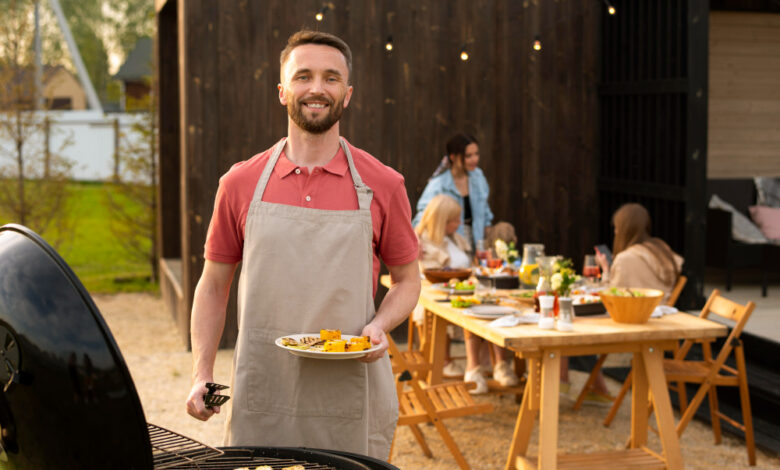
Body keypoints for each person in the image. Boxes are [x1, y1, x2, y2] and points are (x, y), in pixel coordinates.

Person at [185, 30, 421, 460]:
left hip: (351, 394)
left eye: (331, 78)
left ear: (347, 95)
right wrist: (202, 371)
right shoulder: (239, 183)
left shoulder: (384, 184)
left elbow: (407, 280)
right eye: (303, 76)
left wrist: (380, 326)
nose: (317, 88)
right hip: (264, 390)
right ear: (282, 91)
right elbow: (213, 285)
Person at [415, 194, 519, 393]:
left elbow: (470, 267)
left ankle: (500, 365)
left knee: (493, 304)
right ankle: (474, 368)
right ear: (440, 220)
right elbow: (430, 275)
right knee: (474, 309)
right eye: (454, 220)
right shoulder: (423, 243)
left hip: (467, 289)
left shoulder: (456, 238)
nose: (459, 223)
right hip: (440, 297)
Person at [412, 133, 493, 253]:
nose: (474, 159)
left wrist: (492, 243)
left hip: (477, 242)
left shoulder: (478, 177)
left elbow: (486, 215)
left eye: (476, 154)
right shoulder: (439, 184)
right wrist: (416, 239)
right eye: (468, 156)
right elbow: (423, 215)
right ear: (453, 157)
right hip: (450, 246)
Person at [597, 203, 684, 303]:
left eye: (617, 227)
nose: (616, 232)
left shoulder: (625, 259)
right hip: (661, 308)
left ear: (624, 230)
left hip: (637, 312)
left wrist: (605, 269)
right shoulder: (660, 247)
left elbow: (610, 297)